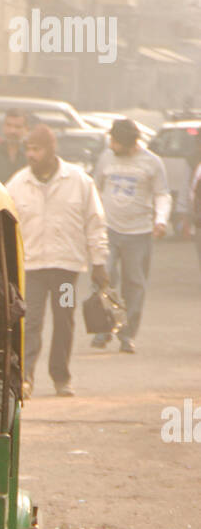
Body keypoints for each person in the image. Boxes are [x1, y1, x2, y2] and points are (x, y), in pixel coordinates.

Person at [6, 125, 109, 397]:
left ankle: (61, 377)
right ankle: (24, 378)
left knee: (64, 320)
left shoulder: (79, 181)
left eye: (37, 149)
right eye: (29, 149)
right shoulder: (17, 184)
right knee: (31, 321)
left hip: (66, 269)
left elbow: (95, 223)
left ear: (52, 151)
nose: (31, 154)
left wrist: (99, 262)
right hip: (32, 268)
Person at [92, 118, 171, 353]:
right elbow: (96, 189)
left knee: (134, 284)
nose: (112, 146)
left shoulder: (152, 162)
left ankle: (127, 334)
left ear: (130, 143)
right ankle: (102, 328)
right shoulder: (105, 158)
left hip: (139, 233)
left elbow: (162, 194)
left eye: (116, 143)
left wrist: (161, 220)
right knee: (104, 278)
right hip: (109, 230)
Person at [0, 110, 28, 185]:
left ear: (26, 129)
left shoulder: (31, 156)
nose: (12, 131)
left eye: (17, 127)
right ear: (3, 127)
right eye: (9, 125)